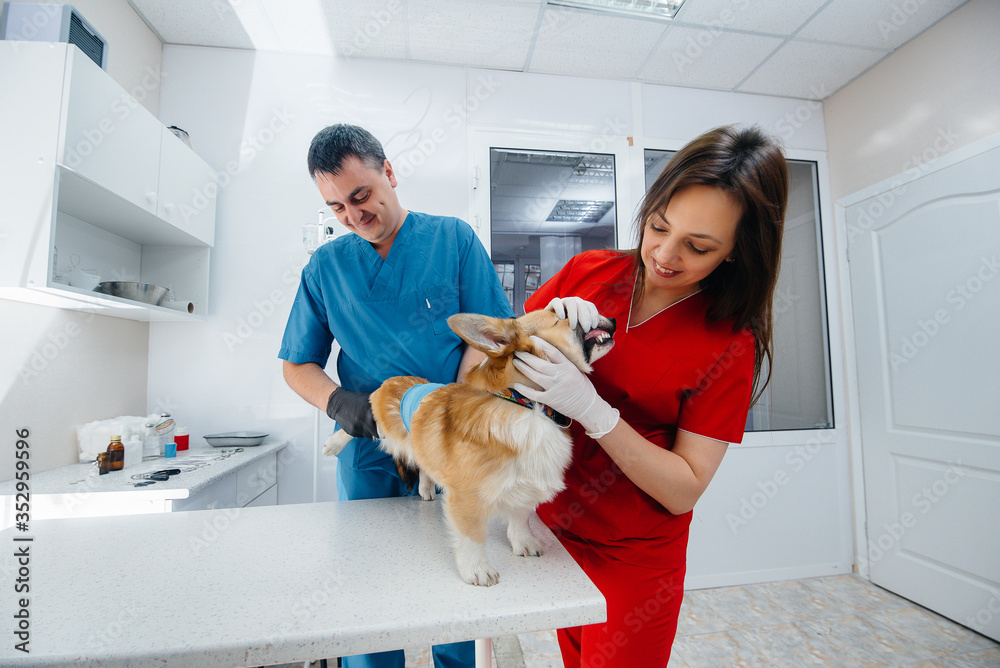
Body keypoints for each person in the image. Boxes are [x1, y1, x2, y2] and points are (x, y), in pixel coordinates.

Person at [512, 125, 788, 667]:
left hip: (633, 553)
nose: (663, 253)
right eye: (659, 226)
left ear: (737, 251)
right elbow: (498, 358)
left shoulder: (729, 342)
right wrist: (529, 330)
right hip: (554, 526)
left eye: (699, 246)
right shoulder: (588, 272)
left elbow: (684, 488)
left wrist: (593, 410)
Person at [278, 124, 513, 668]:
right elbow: (297, 363)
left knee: (457, 575)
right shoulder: (326, 268)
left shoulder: (452, 241)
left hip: (450, 442)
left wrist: (450, 403)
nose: (354, 216)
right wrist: (339, 403)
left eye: (360, 196)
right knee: (371, 590)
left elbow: (490, 334)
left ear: (389, 172)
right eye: (336, 207)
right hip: (369, 454)